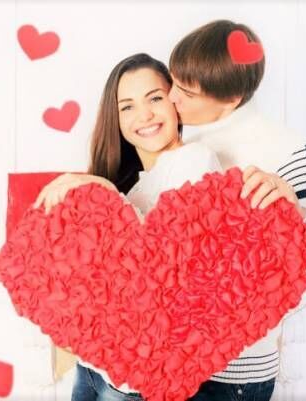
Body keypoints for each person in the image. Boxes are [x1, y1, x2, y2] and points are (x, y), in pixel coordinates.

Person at [159, 20, 306, 401]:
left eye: (186, 92)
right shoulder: (177, 144)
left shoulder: (285, 150)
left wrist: (294, 210)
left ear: (231, 99)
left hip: (233, 379)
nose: (171, 97)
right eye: (173, 82)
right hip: (169, 370)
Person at [33, 53, 223, 401]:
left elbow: (166, 262)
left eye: (155, 98)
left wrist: (101, 190)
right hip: (94, 370)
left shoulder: (195, 161)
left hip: (135, 386)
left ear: (175, 100)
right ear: (116, 119)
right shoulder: (135, 185)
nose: (144, 115)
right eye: (128, 107)